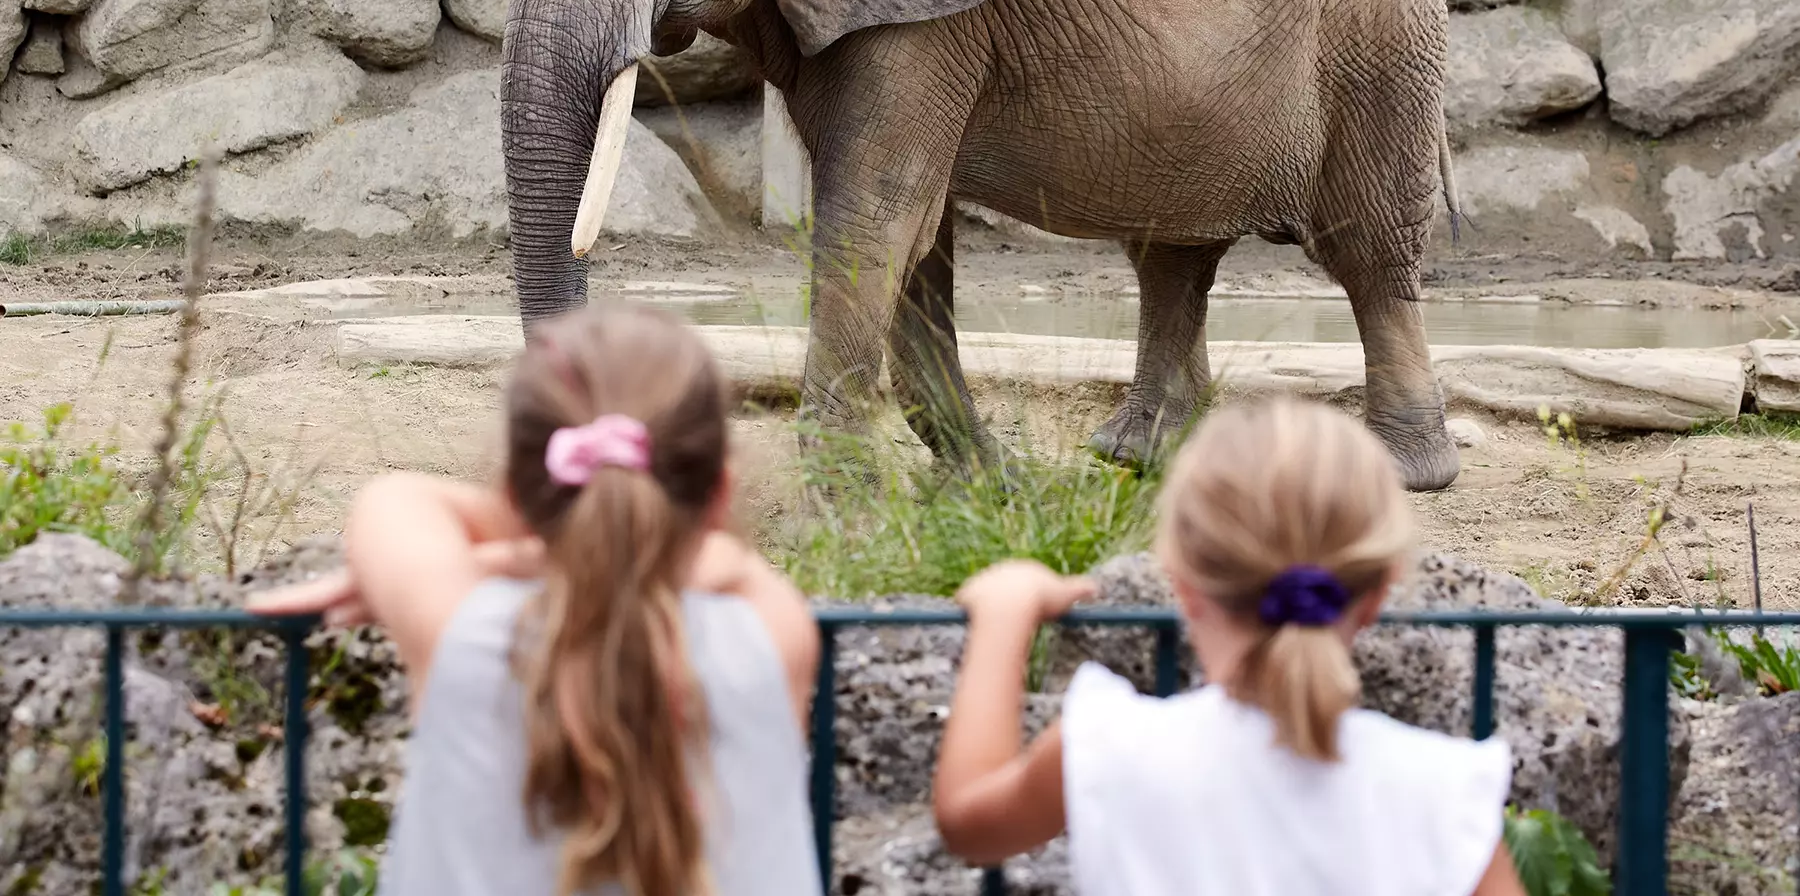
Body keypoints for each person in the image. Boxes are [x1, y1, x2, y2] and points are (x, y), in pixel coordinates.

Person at [247, 303, 824, 896]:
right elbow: (730, 562)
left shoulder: (462, 631)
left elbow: (397, 498)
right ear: (720, 493)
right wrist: (635, 555)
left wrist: (520, 552)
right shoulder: (775, 630)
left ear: (514, 494)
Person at [931, 396, 1527, 896]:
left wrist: (1005, 616)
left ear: (1181, 580)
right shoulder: (1445, 794)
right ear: (1379, 592)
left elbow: (968, 824)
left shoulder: (1108, 748)